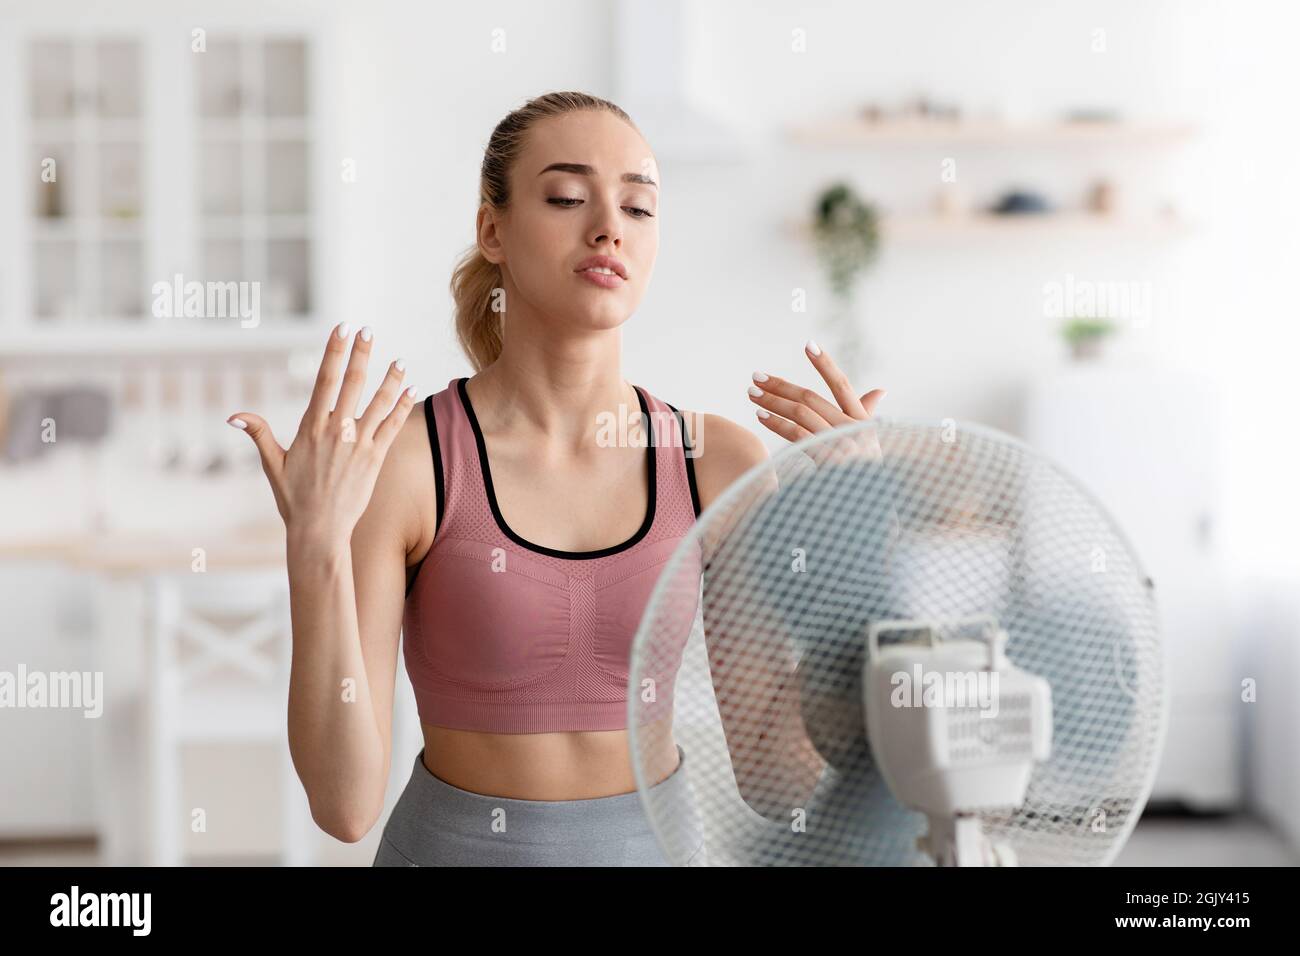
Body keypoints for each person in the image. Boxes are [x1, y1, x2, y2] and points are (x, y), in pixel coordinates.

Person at [227, 90, 885, 866]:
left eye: (638, 208)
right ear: (492, 229)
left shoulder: (716, 464)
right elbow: (344, 806)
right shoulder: (410, 463)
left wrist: (855, 542)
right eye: (568, 196)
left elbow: (780, 783)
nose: (609, 225)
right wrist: (314, 547)